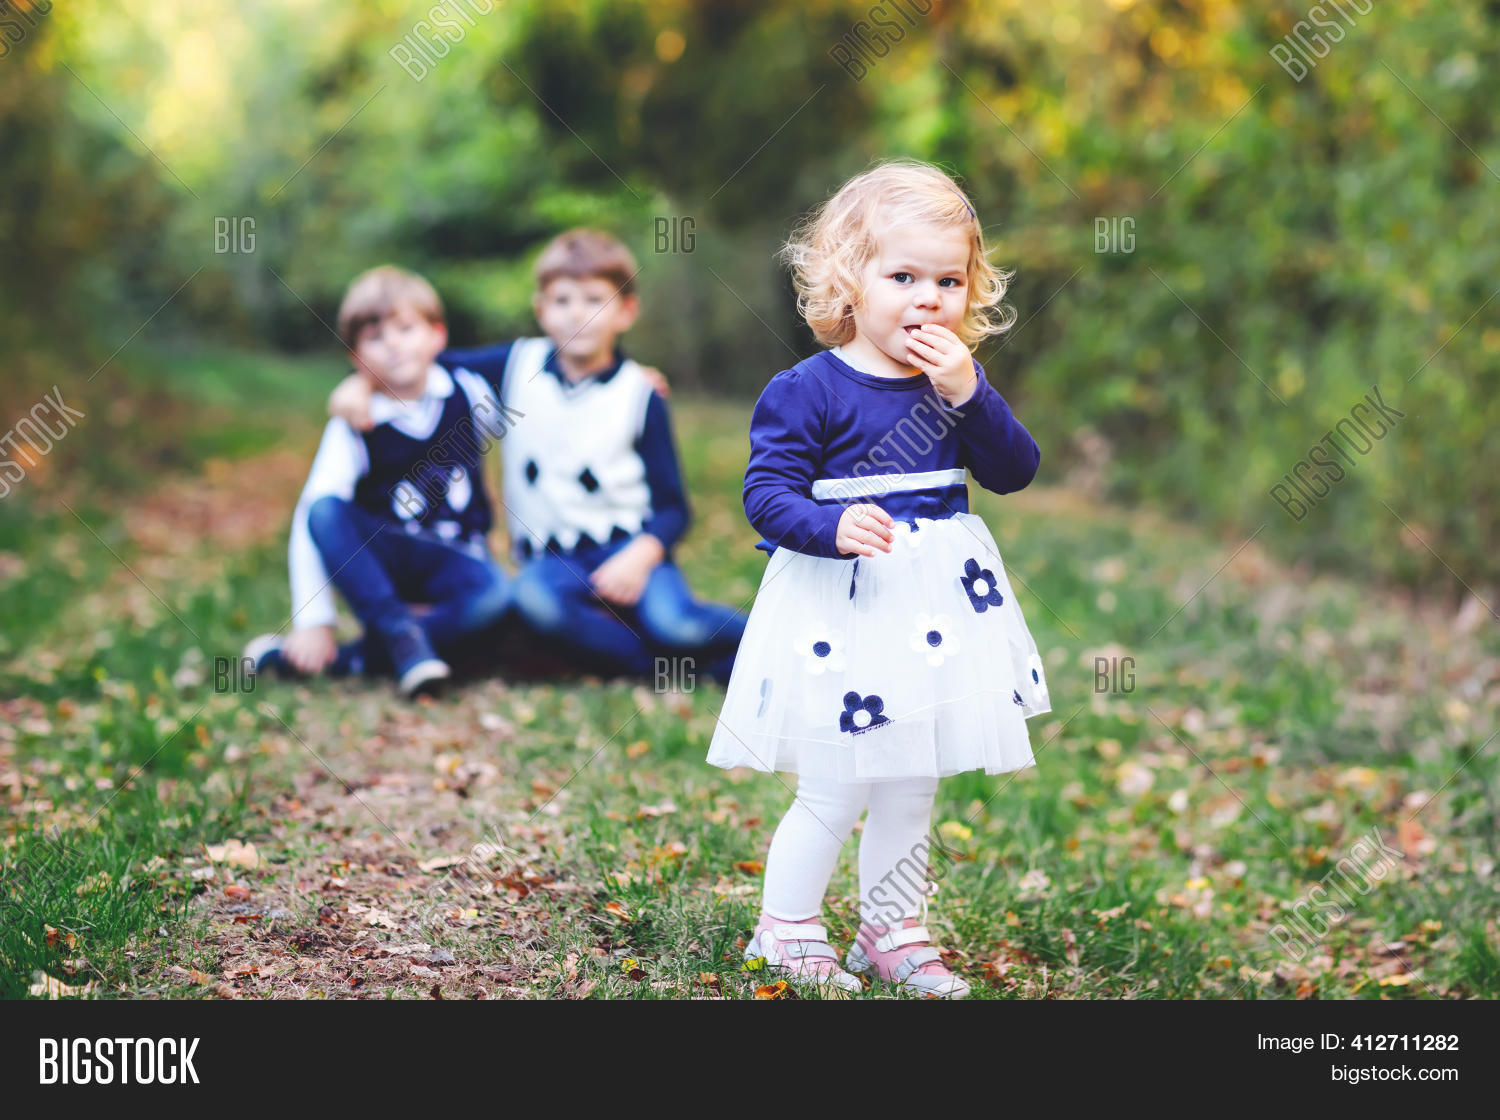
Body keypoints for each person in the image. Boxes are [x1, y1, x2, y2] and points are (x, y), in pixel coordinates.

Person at [705, 161, 1052, 998]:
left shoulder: (954, 386)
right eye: (903, 278)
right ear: (848, 281)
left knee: (911, 783)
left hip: (934, 616)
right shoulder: (807, 389)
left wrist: (971, 393)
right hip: (845, 610)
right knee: (838, 783)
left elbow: (1015, 472)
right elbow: (767, 495)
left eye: (949, 281)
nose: (928, 299)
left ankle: (892, 930)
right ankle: (786, 928)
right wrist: (827, 528)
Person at [328, 229, 747, 684]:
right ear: (541, 309)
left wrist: (641, 556)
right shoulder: (516, 366)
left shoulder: (640, 394)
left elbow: (674, 508)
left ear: (626, 311)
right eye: (562, 300)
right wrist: (360, 382)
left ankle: (767, 638)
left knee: (675, 624)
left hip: (630, 547)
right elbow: (423, 358)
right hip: (551, 563)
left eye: (595, 300)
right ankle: (656, 669)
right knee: (535, 604)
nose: (578, 314)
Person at [245, 265, 513, 698]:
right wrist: (314, 619)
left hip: (457, 561)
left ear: (437, 336)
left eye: (405, 329)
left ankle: (359, 657)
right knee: (324, 511)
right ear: (355, 357)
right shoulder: (355, 423)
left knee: (495, 599)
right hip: (385, 564)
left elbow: (542, 377)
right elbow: (314, 511)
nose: (392, 345)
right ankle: (400, 633)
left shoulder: (470, 391)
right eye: (374, 337)